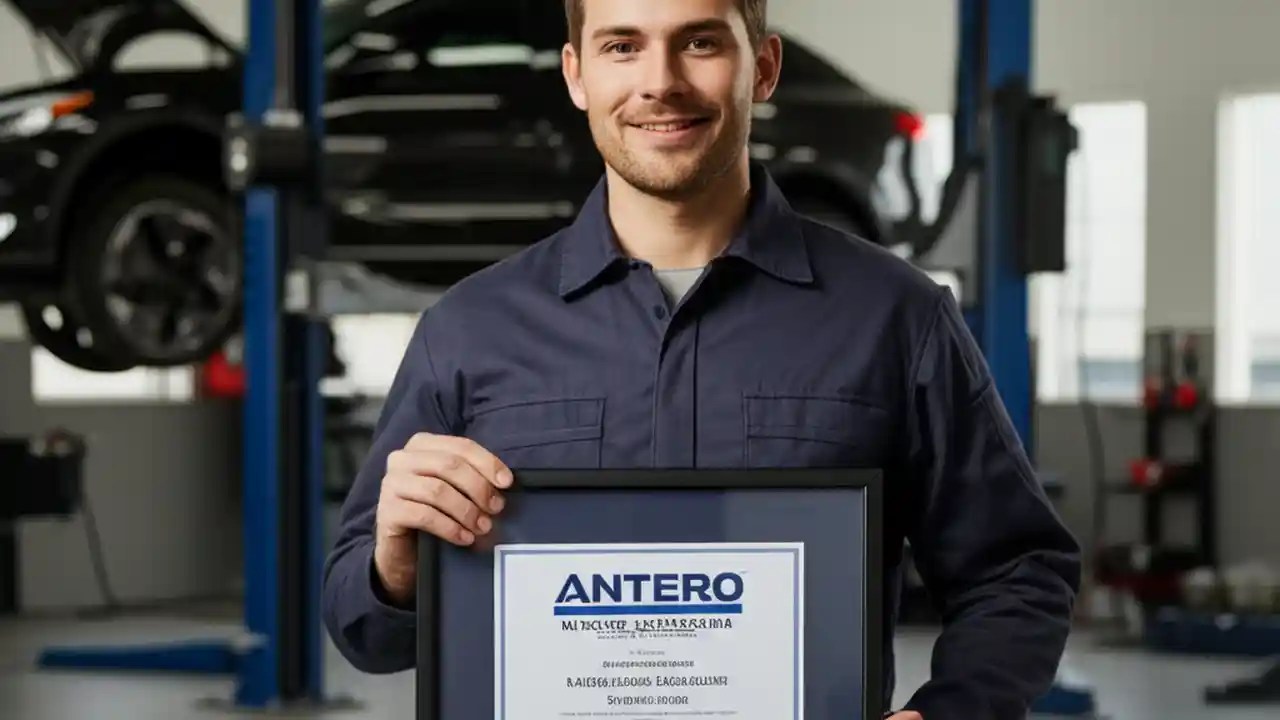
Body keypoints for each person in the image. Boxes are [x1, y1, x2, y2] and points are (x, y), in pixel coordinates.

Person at [321, 0, 1082, 718]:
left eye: (701, 41)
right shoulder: (469, 331)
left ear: (764, 66)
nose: (661, 82)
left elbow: (1017, 571)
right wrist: (395, 567)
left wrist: (950, 712)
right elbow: (363, 629)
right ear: (576, 74)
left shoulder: (896, 318)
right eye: (622, 45)